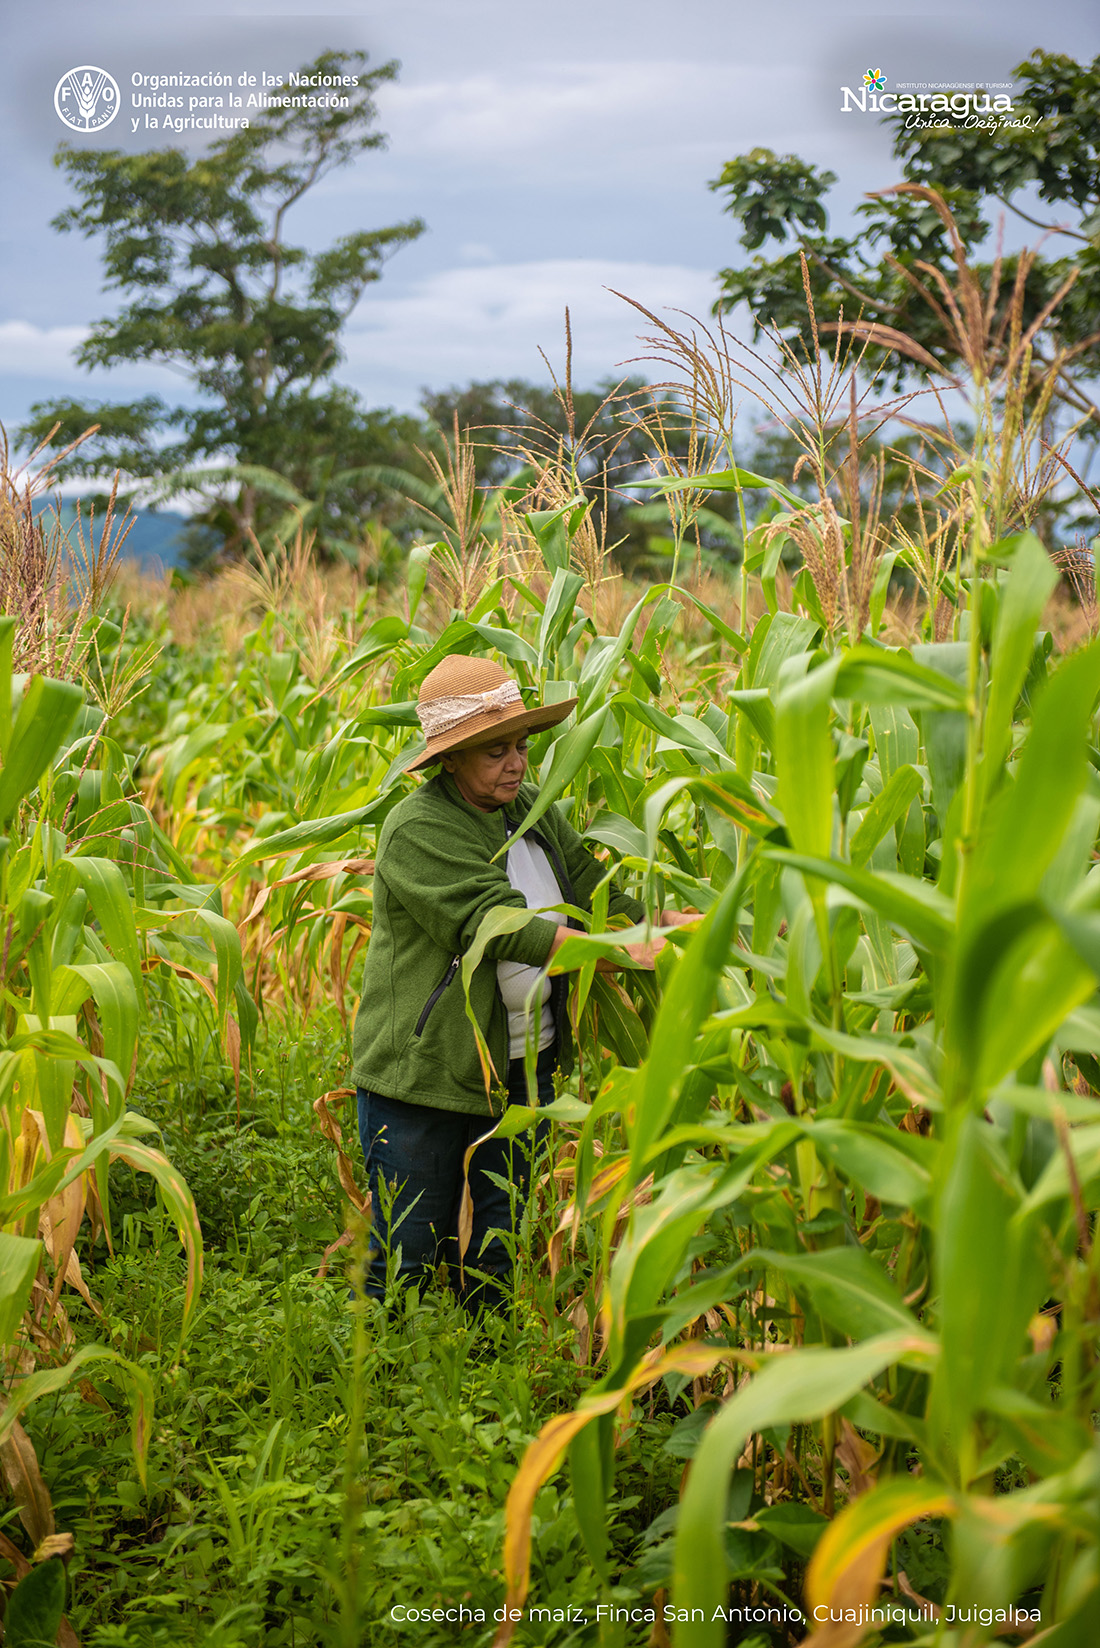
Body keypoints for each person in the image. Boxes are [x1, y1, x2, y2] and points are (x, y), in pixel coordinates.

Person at [351, 652, 691, 1310]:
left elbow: (596, 895)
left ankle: (483, 1387)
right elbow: (499, 926)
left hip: (523, 1070)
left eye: (521, 745)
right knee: (409, 1254)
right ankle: (392, 1387)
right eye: (494, 751)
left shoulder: (528, 812)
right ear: (450, 759)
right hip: (425, 1078)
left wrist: (670, 922)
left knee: (497, 1247)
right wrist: (622, 951)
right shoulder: (419, 829)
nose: (516, 763)